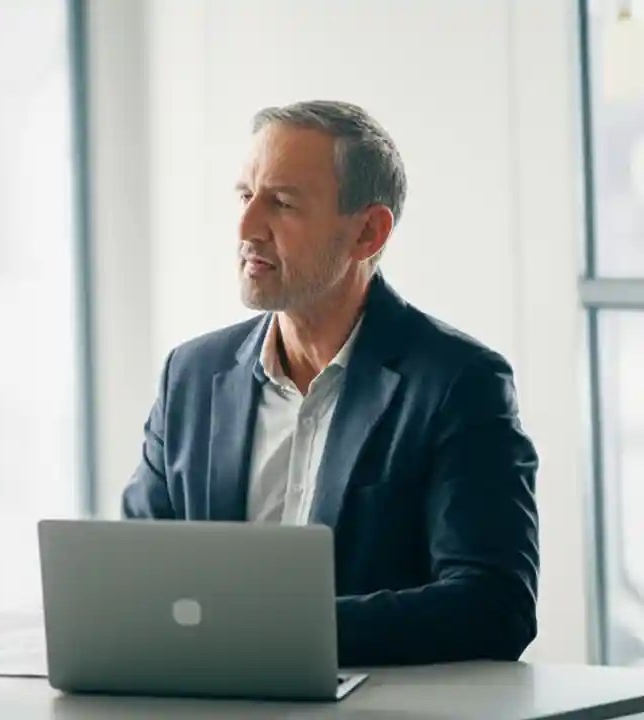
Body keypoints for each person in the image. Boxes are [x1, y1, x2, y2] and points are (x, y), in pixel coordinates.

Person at [122, 100, 539, 666]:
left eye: (282, 203)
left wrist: (283, 632)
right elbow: (135, 574)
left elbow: (494, 606)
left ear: (367, 232)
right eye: (245, 196)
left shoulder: (458, 384)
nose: (246, 229)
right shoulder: (191, 376)